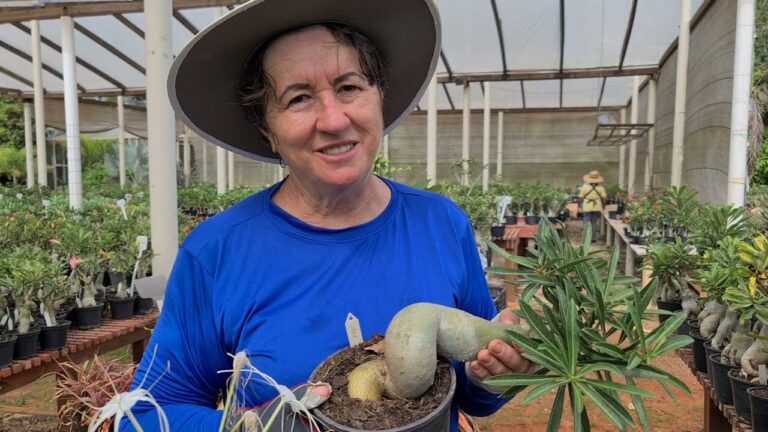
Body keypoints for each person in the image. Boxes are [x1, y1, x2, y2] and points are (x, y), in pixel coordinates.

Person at [124, 0, 532, 430]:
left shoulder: (441, 223)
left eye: (349, 87)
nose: (334, 120)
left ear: (379, 99)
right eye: (298, 98)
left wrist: (492, 376)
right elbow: (147, 414)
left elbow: (470, 396)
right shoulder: (217, 252)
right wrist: (253, 427)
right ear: (267, 130)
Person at [578, 170, 608, 242]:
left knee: (586, 222)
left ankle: (586, 238)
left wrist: (580, 205)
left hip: (587, 206)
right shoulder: (601, 188)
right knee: (594, 223)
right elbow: (604, 198)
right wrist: (603, 205)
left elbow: (580, 197)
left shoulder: (584, 187)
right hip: (597, 207)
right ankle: (593, 239)